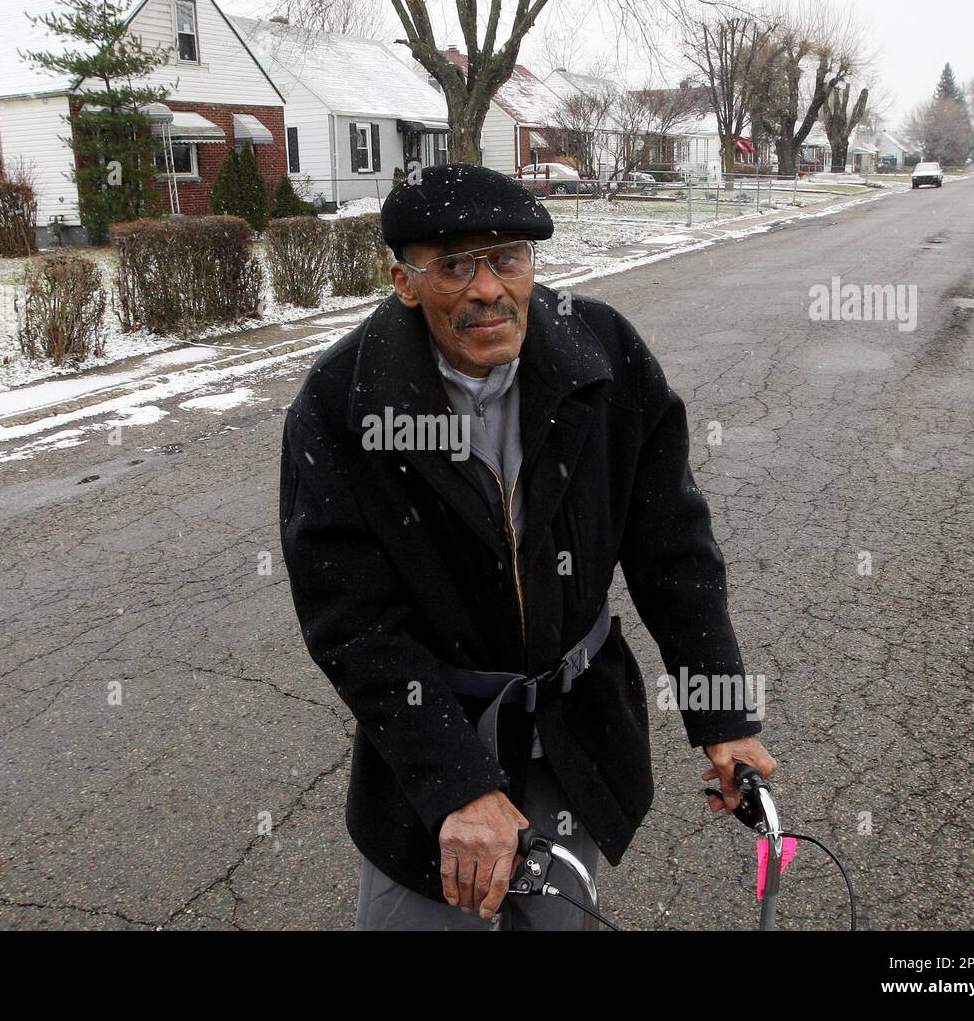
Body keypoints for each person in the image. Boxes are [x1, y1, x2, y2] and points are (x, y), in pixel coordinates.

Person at [279, 163, 776, 930]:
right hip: (433, 741)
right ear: (403, 282)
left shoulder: (602, 354)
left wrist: (721, 712)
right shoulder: (345, 402)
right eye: (453, 267)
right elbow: (351, 623)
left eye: (508, 258)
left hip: (575, 731)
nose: (488, 289)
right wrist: (457, 785)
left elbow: (672, 548)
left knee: (559, 919)